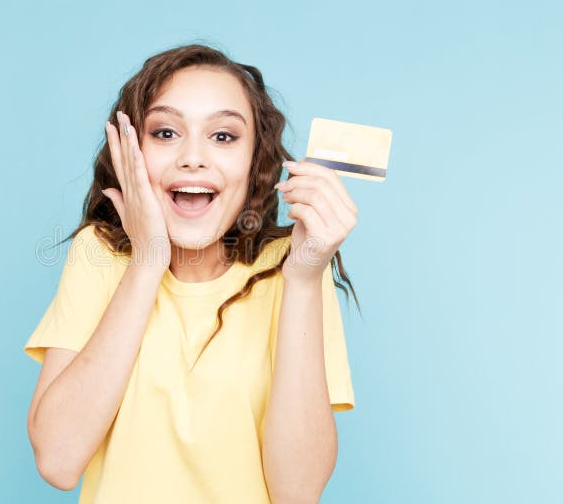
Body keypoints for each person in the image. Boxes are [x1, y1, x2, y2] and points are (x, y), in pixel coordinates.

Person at [23, 43, 361, 504]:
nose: (193, 158)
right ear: (130, 153)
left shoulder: (295, 266)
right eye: (165, 133)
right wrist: (147, 261)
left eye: (223, 136)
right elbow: (58, 461)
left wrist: (303, 279)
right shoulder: (99, 255)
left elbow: (297, 493)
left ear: (254, 162)